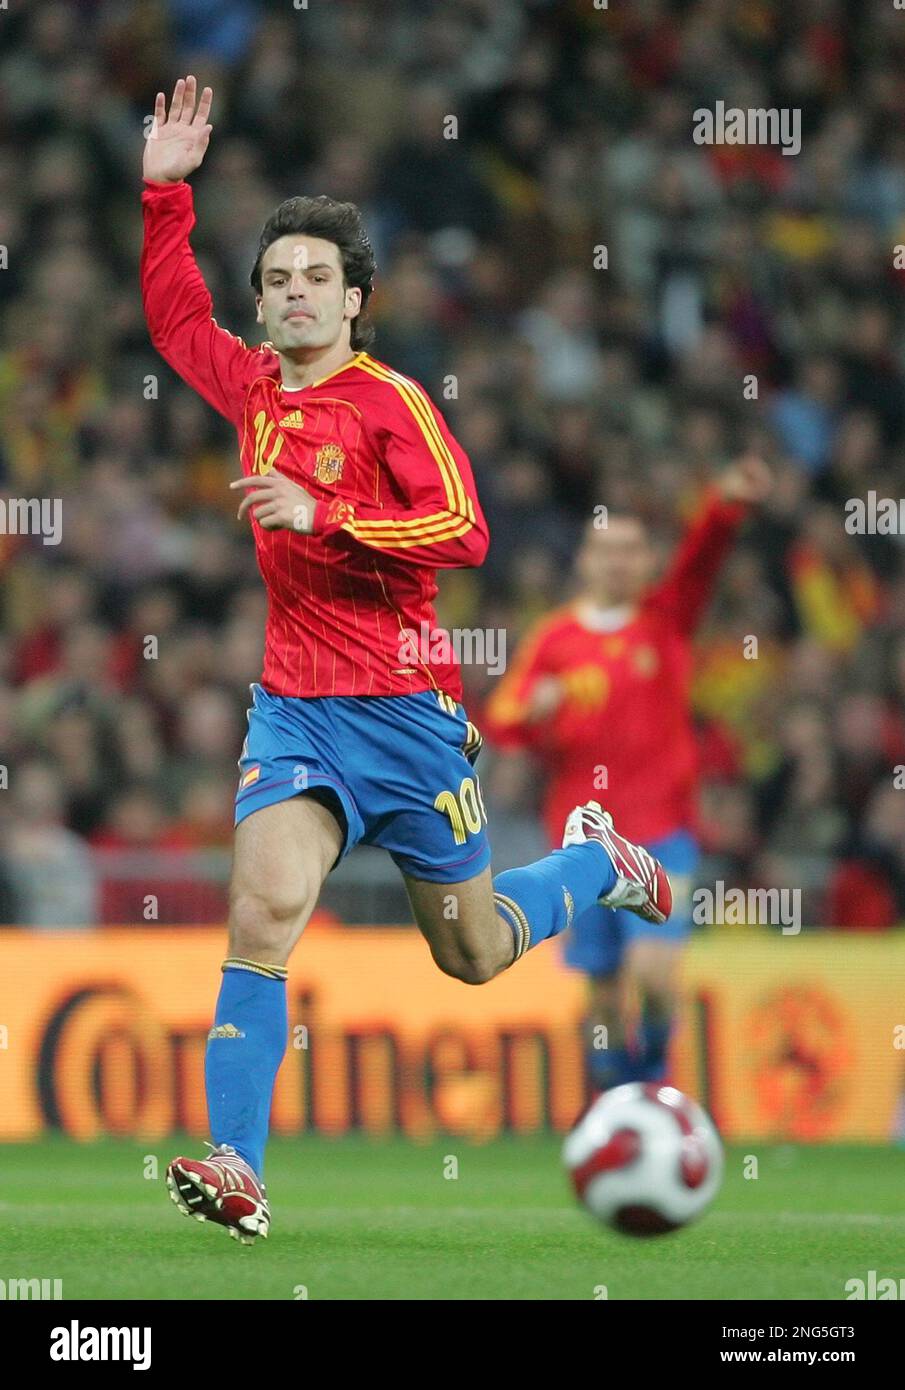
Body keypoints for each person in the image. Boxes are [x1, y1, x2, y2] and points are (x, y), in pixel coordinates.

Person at [140, 78, 672, 1244]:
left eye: (313, 278)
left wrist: (324, 516)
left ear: (354, 299)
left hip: (407, 711)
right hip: (294, 710)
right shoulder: (250, 390)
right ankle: (238, 1164)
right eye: (275, 280)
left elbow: (466, 532)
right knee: (264, 910)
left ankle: (593, 863)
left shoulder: (390, 404)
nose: (291, 296)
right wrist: (165, 192)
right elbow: (178, 321)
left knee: (472, 951)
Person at [484, 456, 770, 1094]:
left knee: (655, 974)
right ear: (585, 560)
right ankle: (616, 1097)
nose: (618, 562)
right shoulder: (554, 640)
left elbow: (704, 557)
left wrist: (724, 504)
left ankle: (653, 1082)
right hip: (584, 840)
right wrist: (538, 707)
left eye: (632, 551)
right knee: (605, 992)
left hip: (663, 832)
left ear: (647, 562)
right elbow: (501, 718)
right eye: (606, 550)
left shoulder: (667, 619)